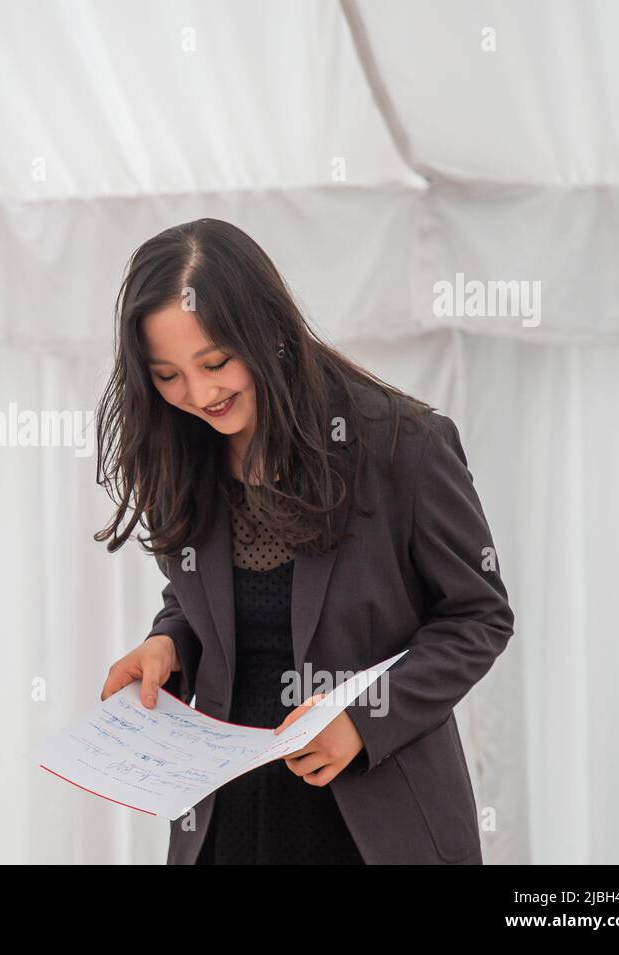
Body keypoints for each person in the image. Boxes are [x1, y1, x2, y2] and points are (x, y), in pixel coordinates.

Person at [95, 218, 514, 864]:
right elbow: (203, 597)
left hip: (370, 818)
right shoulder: (184, 452)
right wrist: (167, 643)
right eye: (168, 375)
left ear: (268, 330)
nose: (200, 394)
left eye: (215, 362)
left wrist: (365, 720)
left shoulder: (402, 445)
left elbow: (478, 616)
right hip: (228, 814)